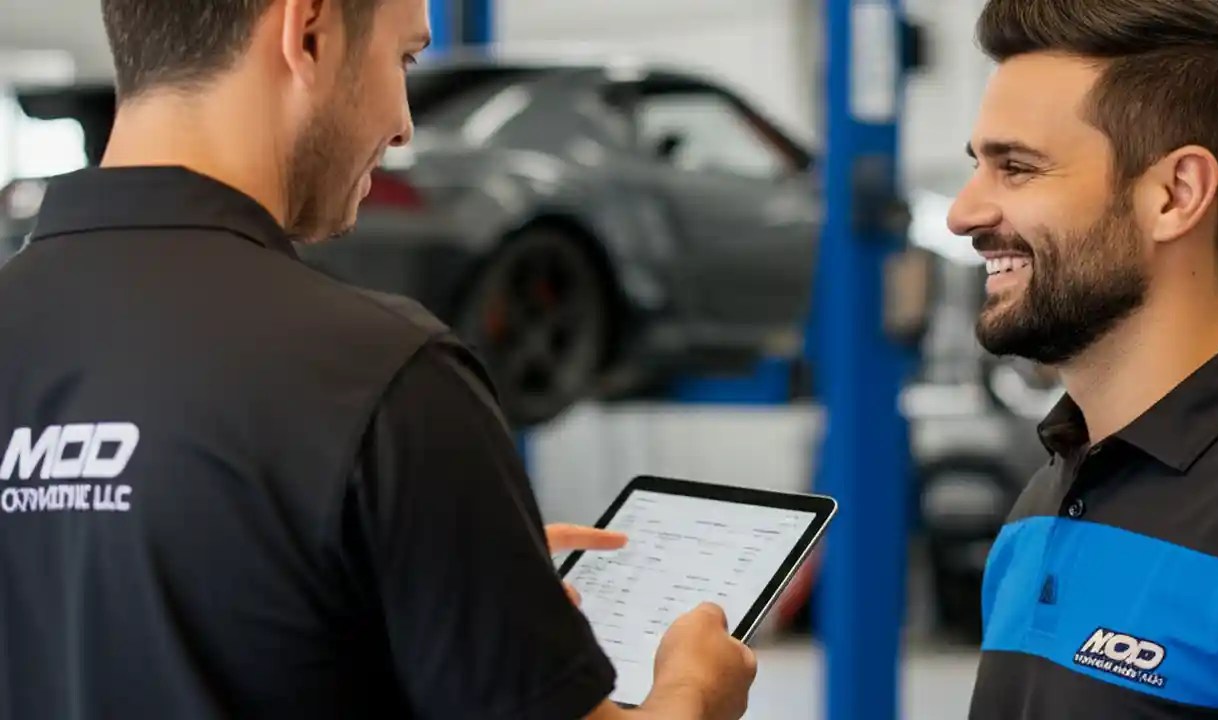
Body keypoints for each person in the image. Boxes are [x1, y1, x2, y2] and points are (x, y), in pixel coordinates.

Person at [0, 0, 756, 718]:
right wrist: (692, 689)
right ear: (310, 31)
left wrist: (432, 561)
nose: (401, 126)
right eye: (403, 58)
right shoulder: (382, 377)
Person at [949, 0, 1218, 718]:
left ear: (1175, 194)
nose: (962, 212)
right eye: (976, 165)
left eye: (1017, 168)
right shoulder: (1046, 499)